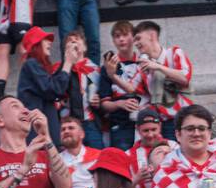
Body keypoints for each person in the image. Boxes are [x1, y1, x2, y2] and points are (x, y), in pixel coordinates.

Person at [17, 26, 81, 147]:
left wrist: (68, 61)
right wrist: (67, 61)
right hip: (38, 136)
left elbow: (55, 85)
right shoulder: (31, 64)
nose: (50, 43)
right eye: (45, 39)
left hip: (42, 135)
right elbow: (54, 89)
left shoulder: (34, 66)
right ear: (36, 44)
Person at [132, 21, 193, 141]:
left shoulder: (174, 52)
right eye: (135, 40)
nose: (136, 43)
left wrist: (158, 67)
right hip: (163, 124)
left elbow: (185, 78)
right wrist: (113, 75)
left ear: (152, 36)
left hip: (185, 119)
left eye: (138, 38)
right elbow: (133, 89)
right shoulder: (143, 67)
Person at [98, 20, 141, 150]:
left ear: (133, 37)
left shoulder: (144, 61)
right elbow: (104, 104)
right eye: (117, 36)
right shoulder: (108, 66)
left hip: (144, 122)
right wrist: (119, 104)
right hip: (120, 125)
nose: (121, 39)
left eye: (125, 34)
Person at [63, 29, 103, 148]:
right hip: (69, 123)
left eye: (77, 40)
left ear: (85, 48)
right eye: (70, 41)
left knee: (97, 157)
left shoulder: (94, 70)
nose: (74, 42)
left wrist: (99, 101)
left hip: (90, 122)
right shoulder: (62, 70)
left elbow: (106, 94)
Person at [58, 115, 100, 188]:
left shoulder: (98, 156)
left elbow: (107, 185)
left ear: (82, 134)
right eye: (63, 129)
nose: (66, 131)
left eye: (71, 128)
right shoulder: (56, 161)